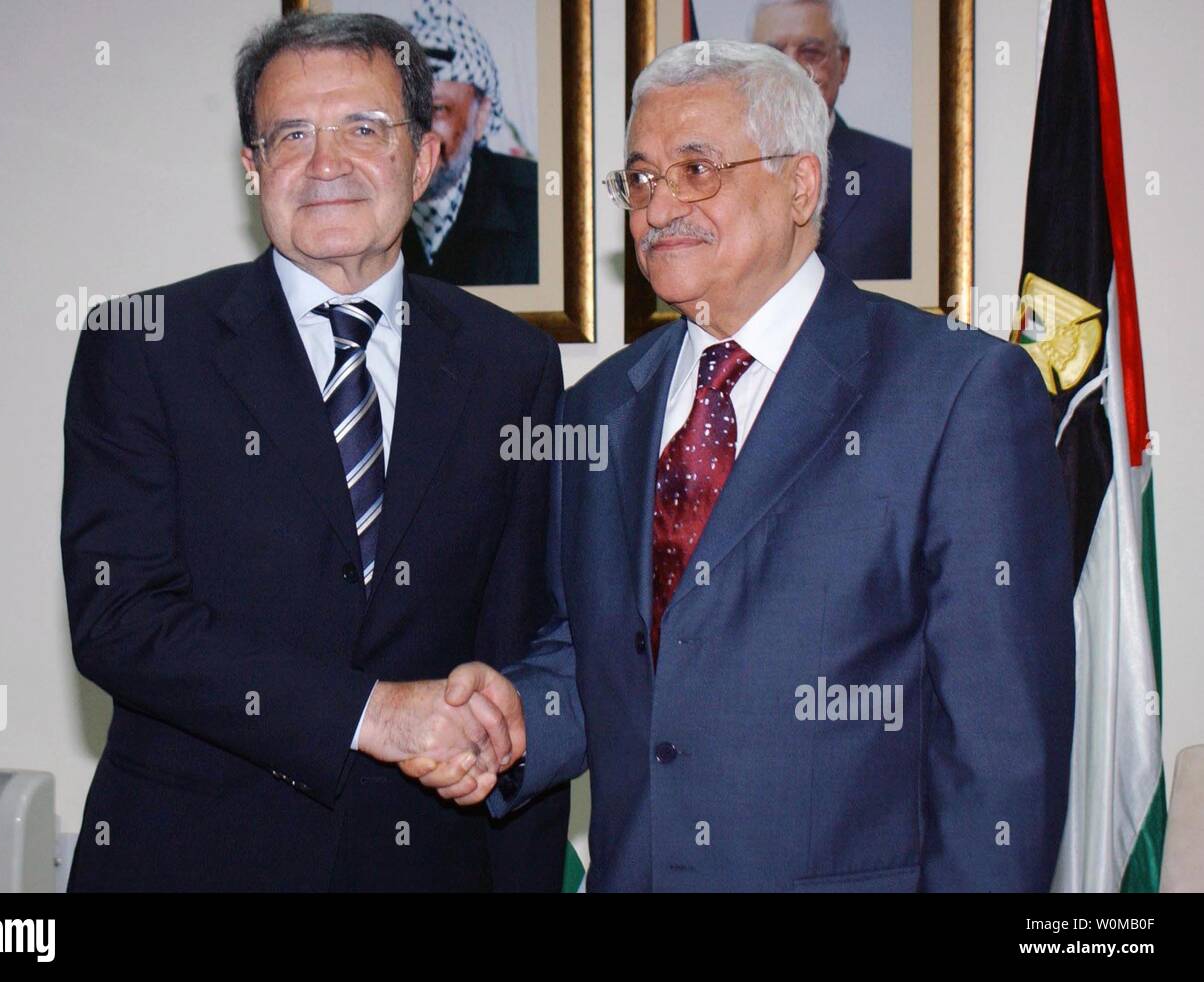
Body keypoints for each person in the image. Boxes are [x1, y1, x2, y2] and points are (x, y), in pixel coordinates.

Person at [403, 41, 1075, 892]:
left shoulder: (957, 391)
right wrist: (508, 722)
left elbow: (1003, 749)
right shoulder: (597, 408)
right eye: (641, 179)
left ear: (801, 184)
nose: (659, 206)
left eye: (697, 168)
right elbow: (603, 656)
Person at [60, 12, 566, 892]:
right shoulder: (144, 346)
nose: (326, 163)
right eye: (292, 134)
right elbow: (121, 620)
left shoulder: (511, 365)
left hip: (430, 865)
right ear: (253, 168)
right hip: (192, 859)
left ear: (424, 157)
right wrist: (373, 715)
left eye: (364, 130)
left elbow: (522, 633)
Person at [751, 0, 912, 280]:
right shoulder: (713, 170)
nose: (791, 68)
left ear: (844, 63)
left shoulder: (902, 174)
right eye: (772, 54)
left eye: (811, 52)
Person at [401, 0, 539, 285]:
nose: (419, 131)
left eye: (437, 109)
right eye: (408, 111)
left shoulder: (533, 206)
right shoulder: (365, 200)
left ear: (481, 117)